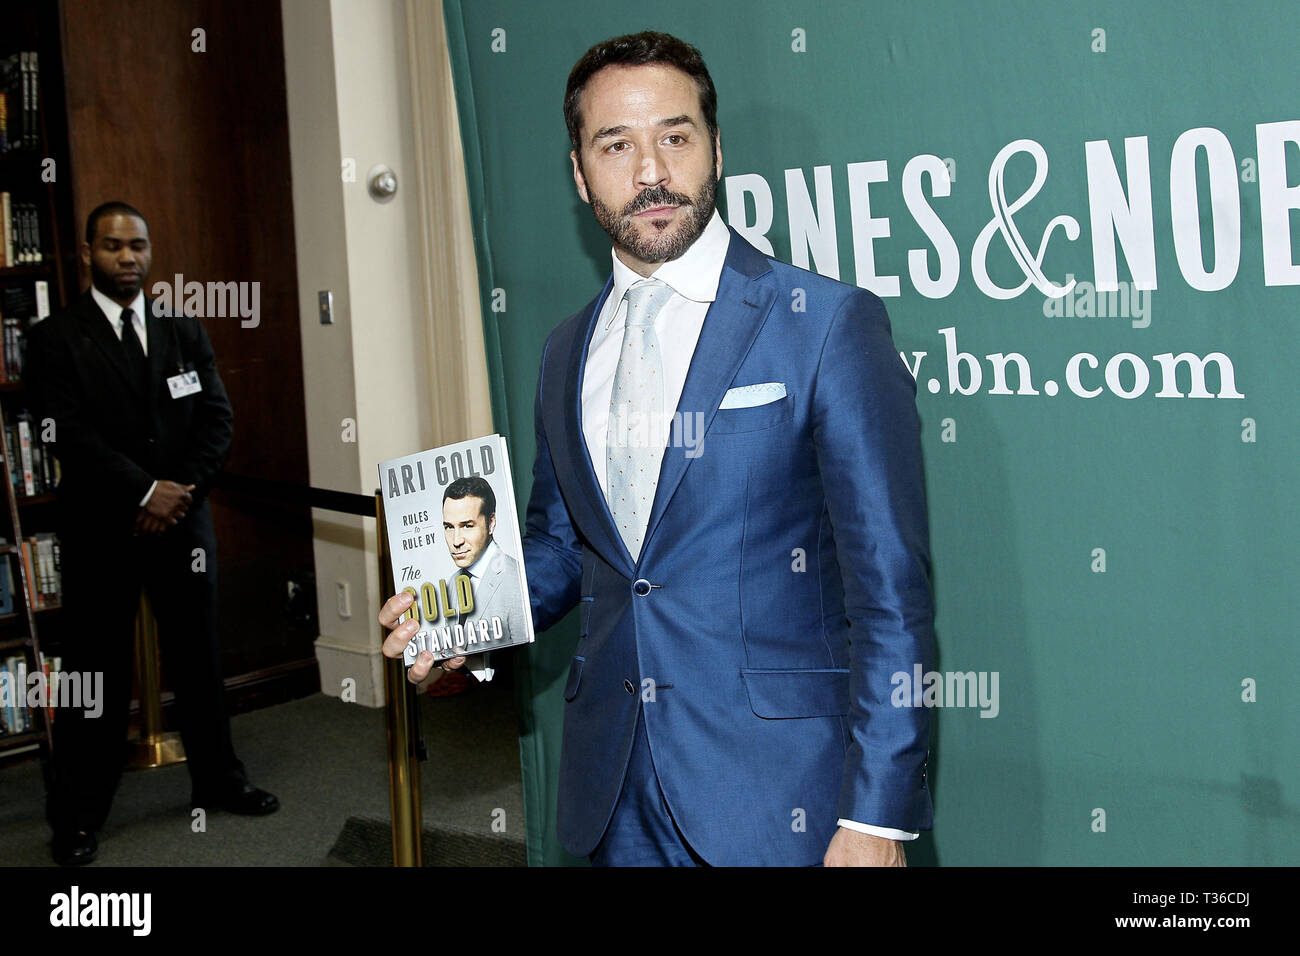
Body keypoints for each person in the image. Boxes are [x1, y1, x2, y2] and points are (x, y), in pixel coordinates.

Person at [381, 31, 934, 866]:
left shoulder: (823, 325)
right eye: (617, 145)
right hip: (612, 795)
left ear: (716, 150)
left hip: (784, 799)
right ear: (579, 172)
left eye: (675, 137)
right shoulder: (566, 349)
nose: (650, 173)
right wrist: (466, 613)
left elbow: (891, 594)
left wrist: (878, 816)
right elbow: (565, 549)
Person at [25, 202, 279, 866]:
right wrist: (143, 490)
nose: (129, 258)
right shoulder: (54, 338)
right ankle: (78, 819)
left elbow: (215, 422)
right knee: (97, 675)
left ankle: (222, 781)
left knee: (198, 660)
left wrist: (176, 492)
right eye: (113, 247)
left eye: (138, 245)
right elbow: (67, 435)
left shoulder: (181, 328)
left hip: (182, 524)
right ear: (88, 255)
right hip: (101, 528)